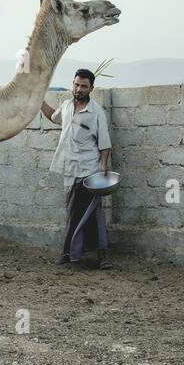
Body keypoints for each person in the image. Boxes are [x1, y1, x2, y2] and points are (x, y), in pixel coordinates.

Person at [40, 67, 113, 268]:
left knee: (92, 214)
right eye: (76, 84)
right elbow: (51, 117)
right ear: (72, 84)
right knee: (72, 212)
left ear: (91, 88)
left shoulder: (96, 112)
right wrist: (37, 100)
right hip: (69, 170)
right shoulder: (66, 107)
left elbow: (105, 144)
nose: (79, 89)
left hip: (89, 171)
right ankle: (70, 253)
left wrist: (103, 164)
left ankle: (102, 256)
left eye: (84, 86)